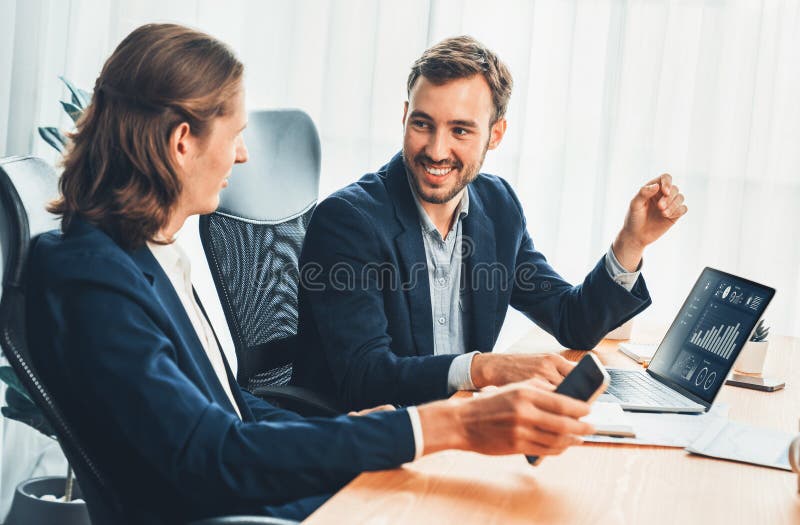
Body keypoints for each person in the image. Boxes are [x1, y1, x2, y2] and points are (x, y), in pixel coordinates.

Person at [26, 24, 595, 524]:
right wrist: (450, 426)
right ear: (183, 143)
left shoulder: (144, 256)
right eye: (235, 134)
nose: (242, 156)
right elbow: (211, 455)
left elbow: (233, 408)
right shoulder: (92, 278)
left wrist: (361, 431)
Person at [293, 36, 687, 411]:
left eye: (460, 130)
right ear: (404, 117)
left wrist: (632, 242)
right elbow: (365, 376)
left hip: (464, 427)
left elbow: (573, 322)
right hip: (375, 438)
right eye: (422, 124)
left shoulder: (498, 207)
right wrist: (486, 369)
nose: (437, 150)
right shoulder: (348, 221)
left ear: (495, 134)